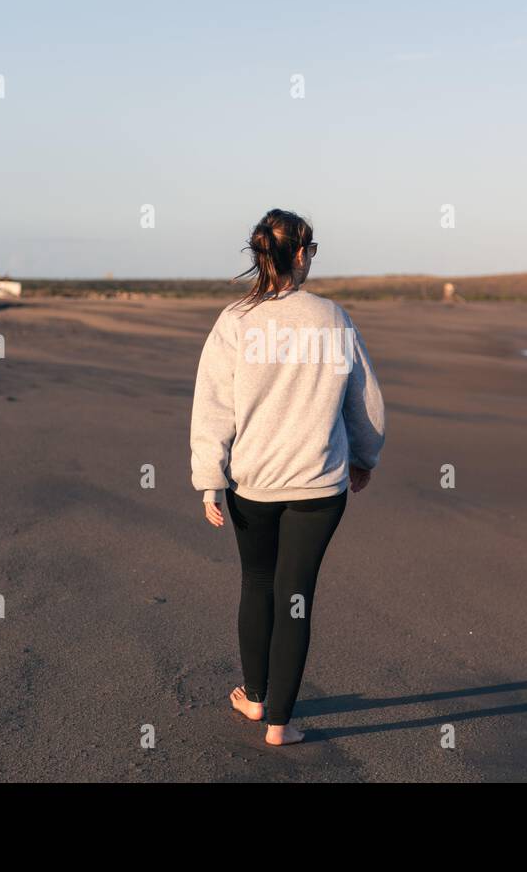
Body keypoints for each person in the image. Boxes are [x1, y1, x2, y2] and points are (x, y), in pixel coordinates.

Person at [190, 208, 386, 746]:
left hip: (251, 483)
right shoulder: (333, 318)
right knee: (295, 593)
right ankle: (280, 724)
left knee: (257, 583)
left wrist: (211, 478)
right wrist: (365, 458)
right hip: (319, 487)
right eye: (312, 251)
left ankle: (255, 700)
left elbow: (213, 407)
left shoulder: (235, 321)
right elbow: (363, 402)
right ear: (299, 254)